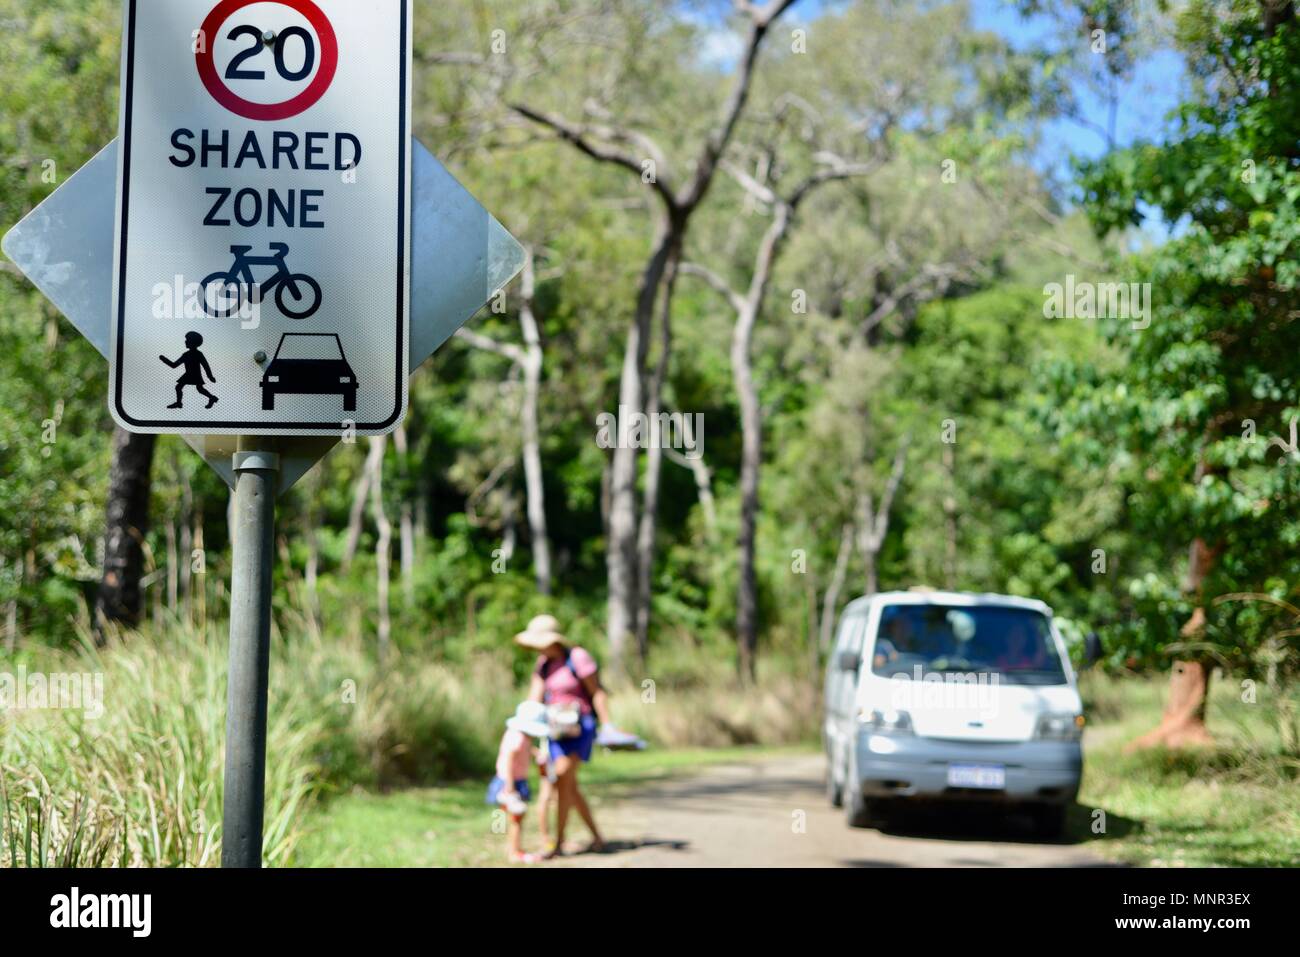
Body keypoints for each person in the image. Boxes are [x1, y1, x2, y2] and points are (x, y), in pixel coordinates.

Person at [515, 614, 618, 858]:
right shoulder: (543, 664)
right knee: (568, 784)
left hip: (580, 728)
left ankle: (558, 843)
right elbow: (534, 699)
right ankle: (597, 837)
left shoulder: (577, 657)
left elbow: (598, 693)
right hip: (554, 731)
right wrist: (521, 731)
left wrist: (608, 726)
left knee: (562, 777)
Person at [486, 700, 551, 864]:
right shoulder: (519, 739)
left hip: (505, 779)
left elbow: (525, 750)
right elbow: (509, 760)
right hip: (511, 781)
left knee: (502, 812)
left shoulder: (517, 734)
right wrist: (510, 787)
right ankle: (515, 852)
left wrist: (536, 754)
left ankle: (503, 841)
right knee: (517, 815)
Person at [160, 332, 218, 409]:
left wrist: (210, 376)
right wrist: (164, 360)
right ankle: (179, 403)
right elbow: (174, 365)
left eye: (187, 340)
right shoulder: (186, 354)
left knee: (195, 388)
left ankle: (211, 398)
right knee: (187, 388)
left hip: (194, 374)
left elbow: (205, 365)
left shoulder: (197, 354)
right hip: (189, 374)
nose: (185, 341)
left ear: (193, 342)